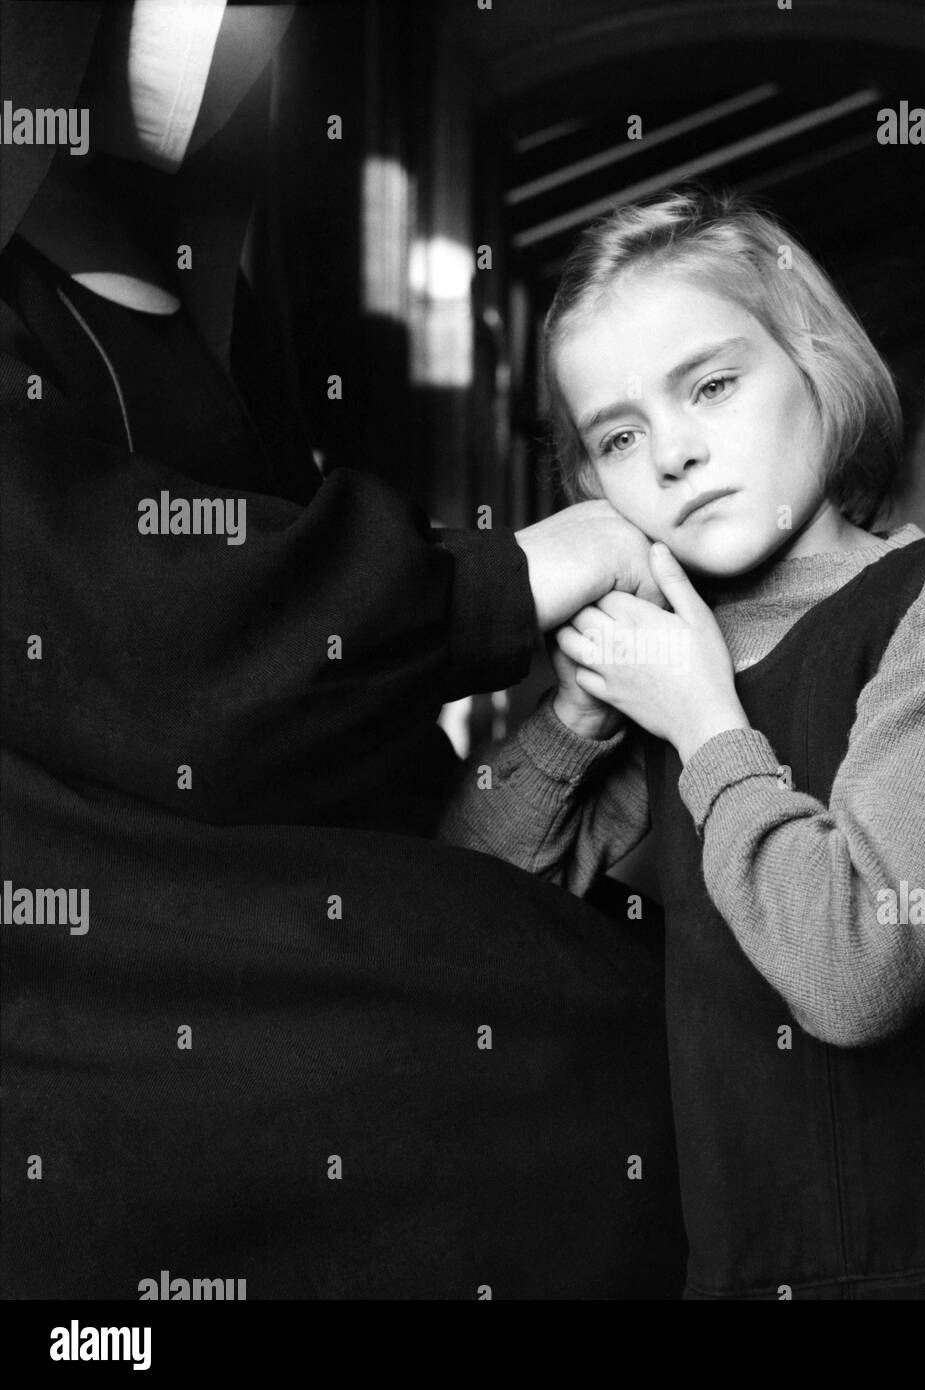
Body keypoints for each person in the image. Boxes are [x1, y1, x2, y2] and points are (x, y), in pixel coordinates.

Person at [0, 0, 687, 1298]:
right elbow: (147, 630)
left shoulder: (208, 284)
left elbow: (304, 694)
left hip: (228, 856)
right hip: (81, 932)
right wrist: (508, 574)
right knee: (591, 1059)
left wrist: (551, 748)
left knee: (631, 982)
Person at [438, 185, 925, 1300]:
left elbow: (860, 973)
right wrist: (579, 719)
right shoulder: (669, 674)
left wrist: (703, 719)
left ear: (815, 364)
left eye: (711, 385)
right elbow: (460, 923)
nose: (672, 454)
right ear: (592, 488)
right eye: (619, 436)